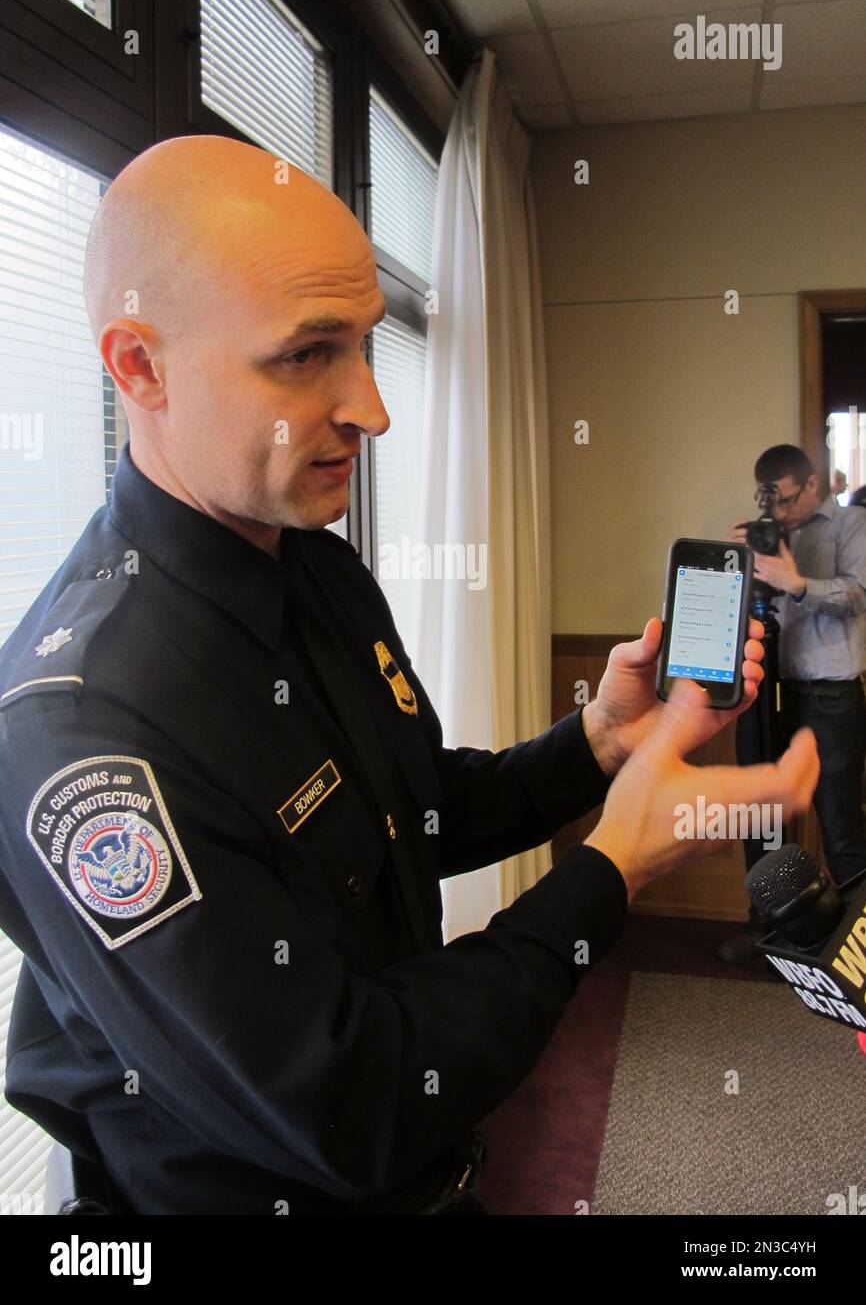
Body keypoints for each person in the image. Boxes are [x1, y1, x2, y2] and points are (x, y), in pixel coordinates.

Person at [0, 136, 816, 1215]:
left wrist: (596, 744)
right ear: (139, 366)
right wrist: (610, 867)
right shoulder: (85, 727)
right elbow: (350, 1098)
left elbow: (413, 812)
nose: (371, 409)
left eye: (365, 345)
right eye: (305, 354)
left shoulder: (315, 566)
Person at [718, 444, 866, 964]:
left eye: (784, 500)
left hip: (831, 697)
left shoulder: (851, 525)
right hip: (769, 692)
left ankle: (855, 952)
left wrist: (794, 581)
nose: (777, 513)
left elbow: (857, 596)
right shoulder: (768, 537)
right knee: (763, 813)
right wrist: (741, 566)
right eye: (769, 503)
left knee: (841, 827)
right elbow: (744, 613)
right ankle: (766, 933)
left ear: (811, 484)